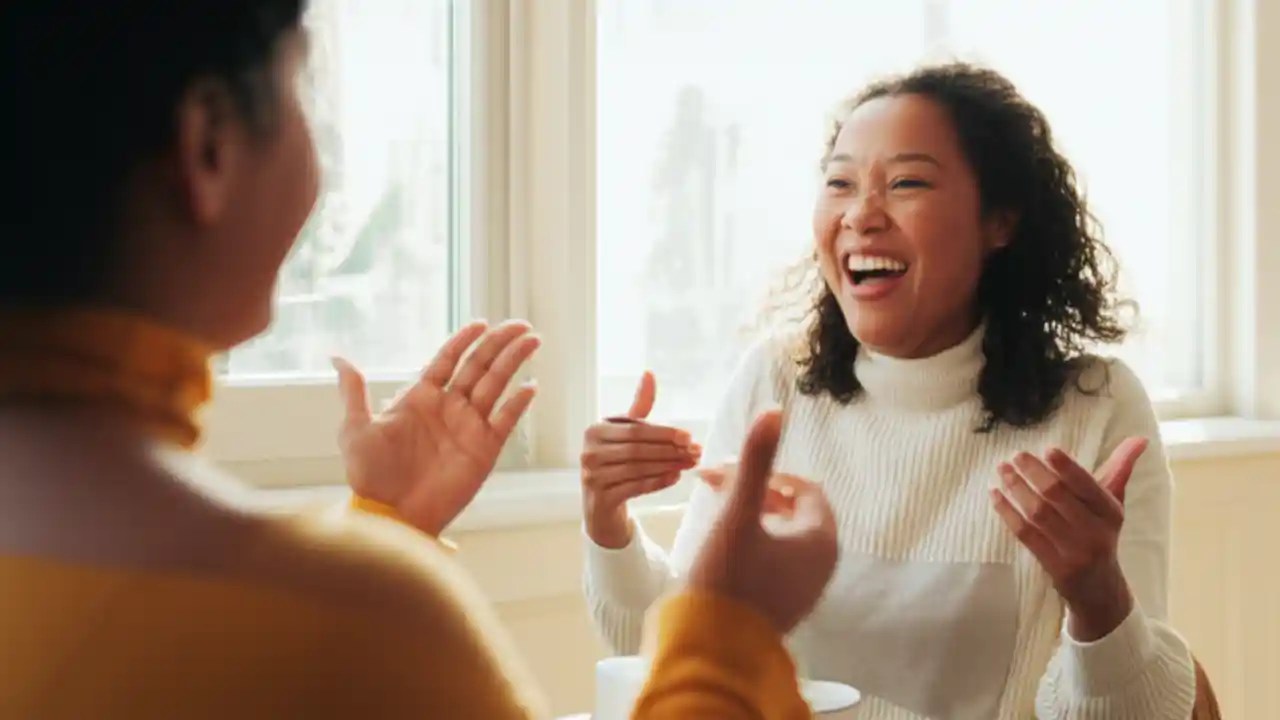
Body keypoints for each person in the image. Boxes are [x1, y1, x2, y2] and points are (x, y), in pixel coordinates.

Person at [0, 2, 837, 718]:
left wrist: (387, 525)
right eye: (304, 92)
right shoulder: (356, 619)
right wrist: (728, 632)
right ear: (209, 144)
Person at [581, 63, 1199, 718]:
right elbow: (679, 659)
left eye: (906, 182)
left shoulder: (1096, 410)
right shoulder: (774, 383)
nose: (861, 215)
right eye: (840, 183)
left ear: (1000, 220)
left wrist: (1096, 593)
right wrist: (608, 523)